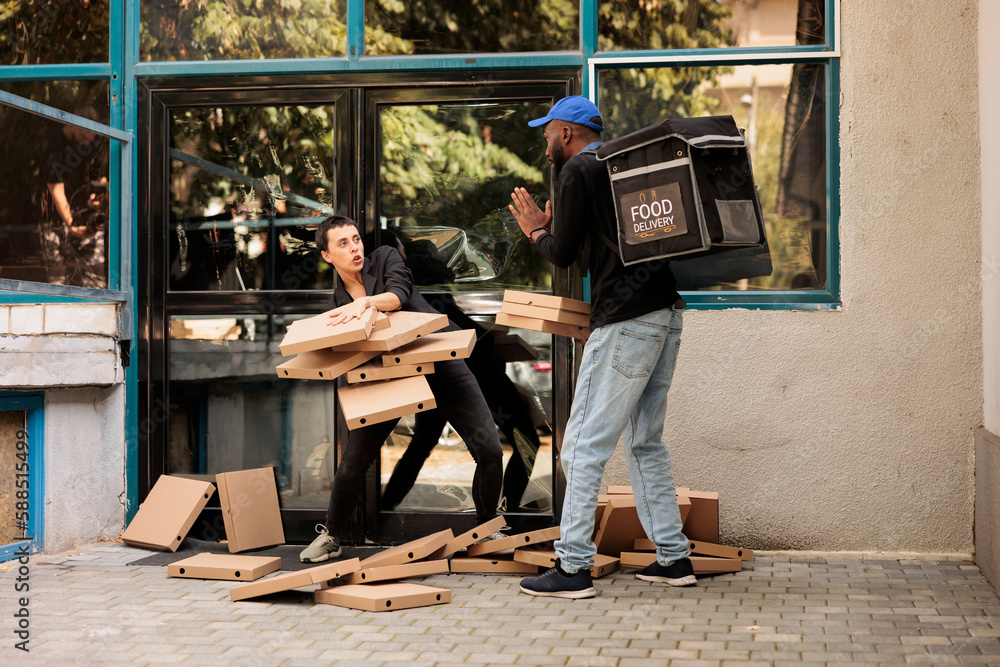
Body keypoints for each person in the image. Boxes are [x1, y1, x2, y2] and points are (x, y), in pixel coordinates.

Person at [508, 96, 696, 598]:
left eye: (547, 131)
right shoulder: (619, 165)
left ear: (566, 132)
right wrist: (557, 227)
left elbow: (563, 255)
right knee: (645, 441)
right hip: (666, 313)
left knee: (582, 446)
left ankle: (572, 567)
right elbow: (605, 244)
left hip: (627, 319)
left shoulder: (575, 171)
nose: (544, 140)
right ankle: (675, 560)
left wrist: (537, 231)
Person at [299, 215, 505, 563]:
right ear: (327, 256)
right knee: (353, 460)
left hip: (438, 359)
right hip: (389, 376)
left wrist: (367, 303)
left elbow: (398, 294)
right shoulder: (336, 306)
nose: (354, 248)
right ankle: (332, 535)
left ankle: (487, 527)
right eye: (343, 244)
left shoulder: (383, 257)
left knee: (489, 448)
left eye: (355, 239)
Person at [41, 106, 108, 288]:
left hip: (87, 217)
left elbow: (102, 177)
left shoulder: (97, 143)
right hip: (56, 220)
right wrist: (71, 223)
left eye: (92, 136)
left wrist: (97, 198)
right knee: (58, 284)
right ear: (71, 126)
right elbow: (56, 190)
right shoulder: (53, 147)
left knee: (95, 282)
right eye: (83, 135)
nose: (88, 141)